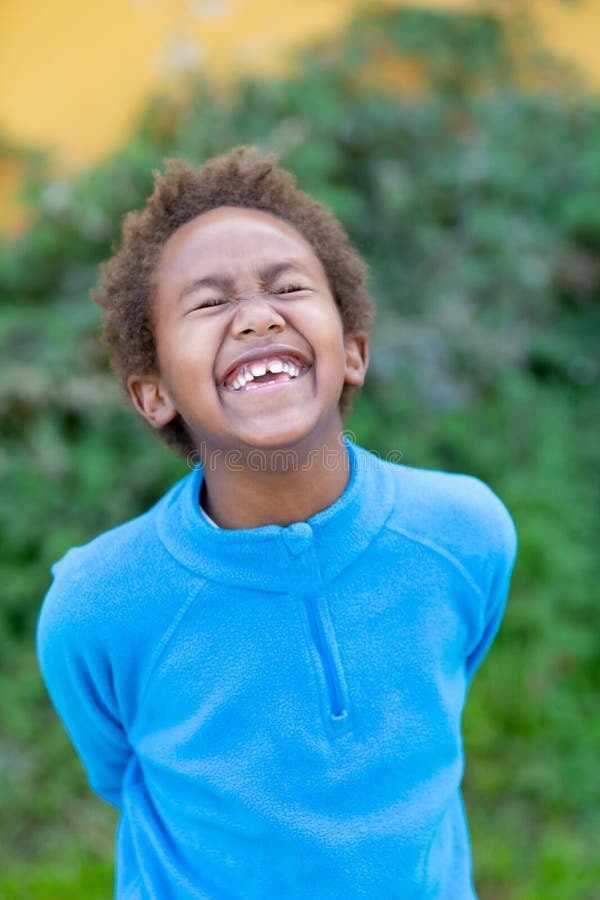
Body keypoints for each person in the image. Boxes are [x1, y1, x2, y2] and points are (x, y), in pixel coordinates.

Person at [36, 146, 517, 899]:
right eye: (208, 303)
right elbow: (116, 770)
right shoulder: (98, 604)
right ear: (154, 393)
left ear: (352, 350)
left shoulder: (464, 533)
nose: (258, 316)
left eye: (288, 287)